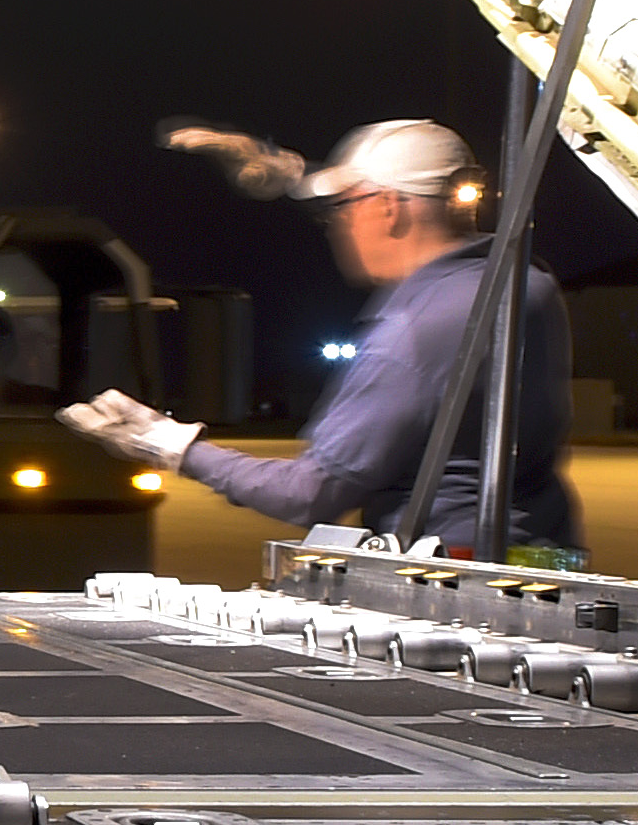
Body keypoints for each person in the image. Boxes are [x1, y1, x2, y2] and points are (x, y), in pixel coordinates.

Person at [60, 120, 583, 556]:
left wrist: (165, 442)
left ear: (387, 208)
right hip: (543, 557)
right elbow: (409, 196)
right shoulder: (525, 285)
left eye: (342, 207)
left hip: (453, 580)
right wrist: (290, 173)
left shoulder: (414, 333)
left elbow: (310, 495)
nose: (335, 225)